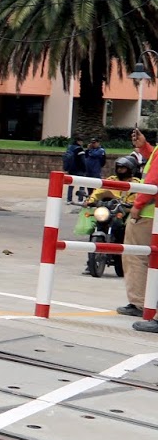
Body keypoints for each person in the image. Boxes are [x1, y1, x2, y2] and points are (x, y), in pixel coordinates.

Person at [79, 154, 137, 276]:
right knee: (97, 224)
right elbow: (98, 192)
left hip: (124, 212)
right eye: (119, 167)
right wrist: (90, 200)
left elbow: (138, 197)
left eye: (123, 168)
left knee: (123, 230)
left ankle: (123, 258)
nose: (120, 170)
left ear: (131, 169)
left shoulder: (136, 183)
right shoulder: (111, 180)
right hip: (108, 211)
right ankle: (91, 261)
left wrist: (130, 204)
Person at [124, 128, 158, 324]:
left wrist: (137, 205)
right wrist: (145, 148)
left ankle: (141, 303)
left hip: (148, 214)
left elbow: (153, 181)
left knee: (135, 256)